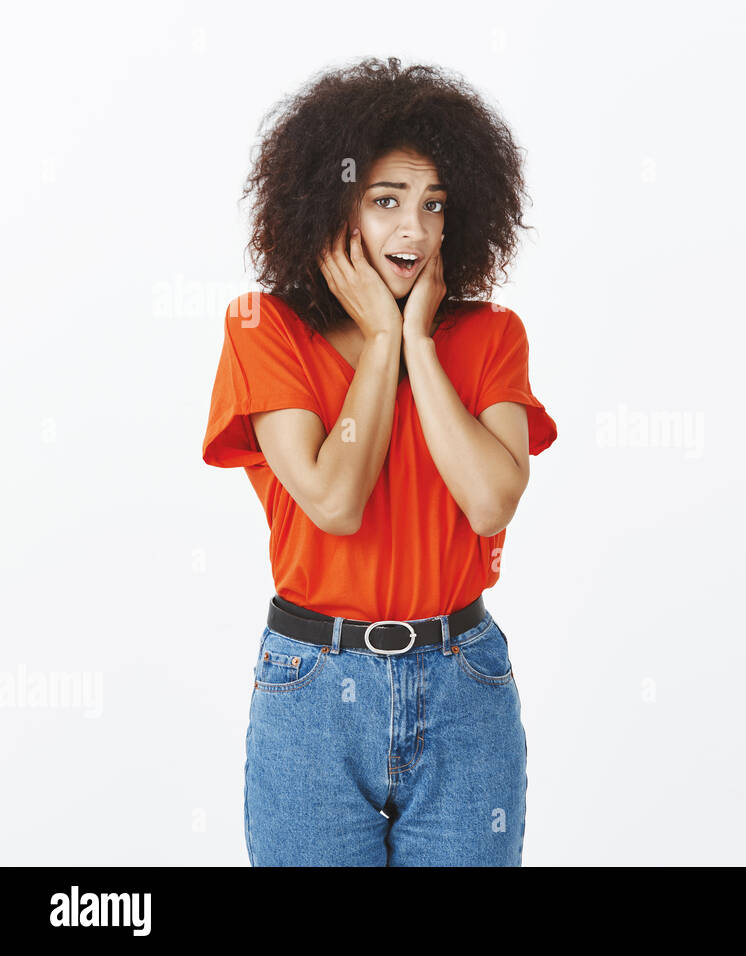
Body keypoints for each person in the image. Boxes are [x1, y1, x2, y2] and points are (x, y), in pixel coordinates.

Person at [200, 56, 557, 866]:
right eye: (387, 202)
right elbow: (334, 499)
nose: (416, 231)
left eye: (433, 205)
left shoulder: (491, 335)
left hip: (464, 682)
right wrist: (382, 342)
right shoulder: (264, 328)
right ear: (332, 209)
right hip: (313, 688)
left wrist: (419, 344)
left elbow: (492, 501)